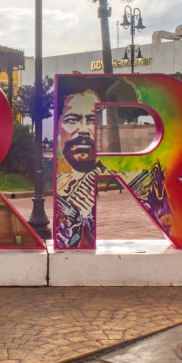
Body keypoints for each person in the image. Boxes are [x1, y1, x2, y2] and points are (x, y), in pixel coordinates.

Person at [54, 89, 108, 250]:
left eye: (92, 119)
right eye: (72, 120)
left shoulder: (111, 169)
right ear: (58, 126)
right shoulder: (60, 175)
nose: (84, 129)